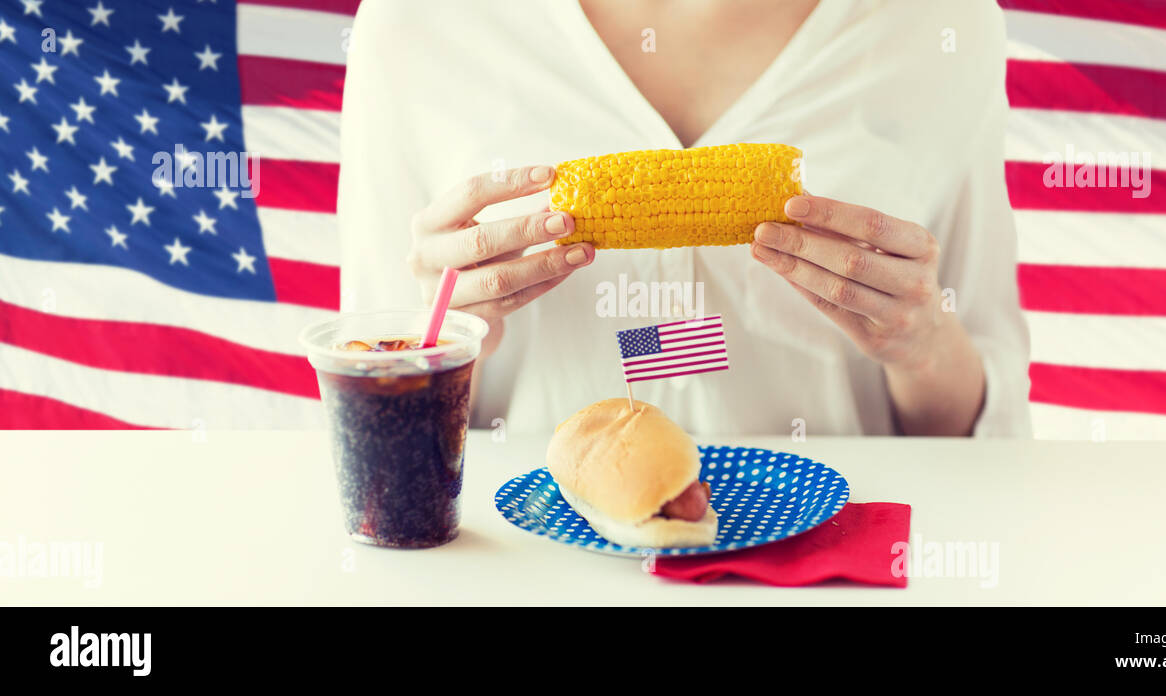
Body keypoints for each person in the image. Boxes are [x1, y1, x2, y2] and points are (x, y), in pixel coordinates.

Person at [338, 0, 1030, 437]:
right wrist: (447, 342)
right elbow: (375, 434)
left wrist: (922, 347)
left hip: (829, 567)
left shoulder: (944, 23)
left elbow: (988, 443)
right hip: (532, 568)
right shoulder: (415, 23)